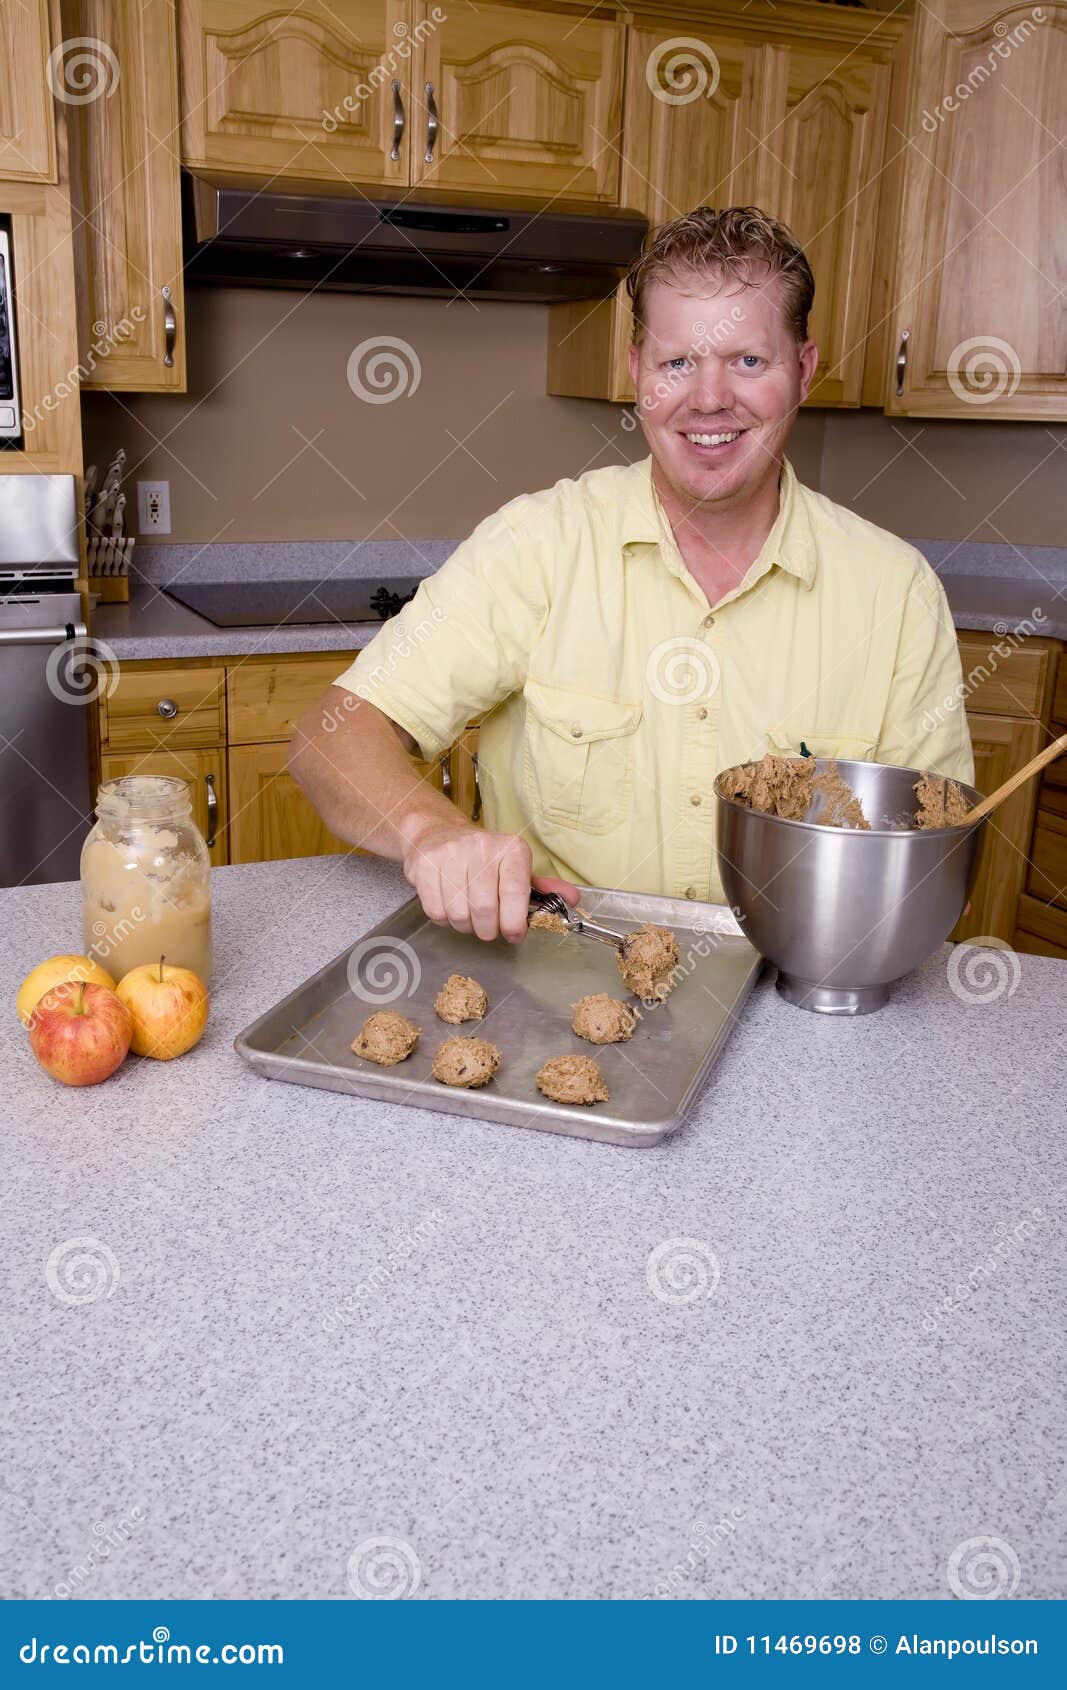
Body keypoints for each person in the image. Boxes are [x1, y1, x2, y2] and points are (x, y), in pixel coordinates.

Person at [291, 206, 973, 944]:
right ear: (636, 371)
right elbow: (329, 738)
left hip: (796, 990)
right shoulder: (537, 546)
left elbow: (935, 859)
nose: (708, 398)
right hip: (557, 985)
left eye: (748, 361)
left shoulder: (896, 593)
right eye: (677, 363)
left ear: (802, 371)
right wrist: (431, 831)